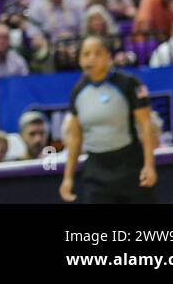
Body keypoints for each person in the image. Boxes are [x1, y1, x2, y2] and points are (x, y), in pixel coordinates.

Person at [60, 35, 157, 204]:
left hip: (130, 166)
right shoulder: (77, 91)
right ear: (79, 59)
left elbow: (146, 125)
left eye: (98, 53)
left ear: (108, 57)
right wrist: (67, 178)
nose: (91, 58)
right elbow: (75, 137)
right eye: (86, 54)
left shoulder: (128, 83)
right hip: (96, 171)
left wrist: (149, 166)